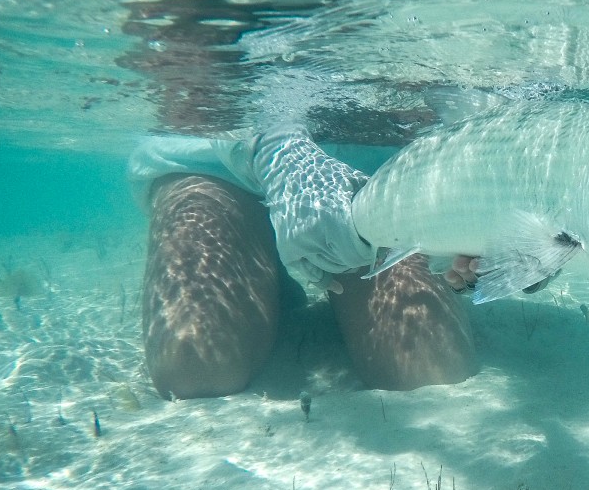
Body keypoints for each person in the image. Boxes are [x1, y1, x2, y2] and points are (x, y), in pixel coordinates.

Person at [130, 128, 478, 399]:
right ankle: (266, 267)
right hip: (214, 165)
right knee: (191, 364)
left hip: (380, 175)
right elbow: (192, 77)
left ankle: (267, 286)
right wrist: (281, 153)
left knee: (427, 366)